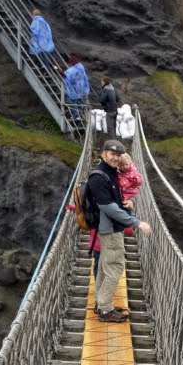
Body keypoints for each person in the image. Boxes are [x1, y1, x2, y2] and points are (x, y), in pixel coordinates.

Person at [89, 139, 152, 322]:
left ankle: (101, 303)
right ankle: (106, 310)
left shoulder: (111, 172)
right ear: (103, 154)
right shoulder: (99, 177)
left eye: (118, 155)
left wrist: (131, 202)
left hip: (111, 227)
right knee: (114, 267)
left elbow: (120, 197)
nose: (115, 158)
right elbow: (108, 207)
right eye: (112, 154)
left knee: (103, 267)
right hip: (109, 229)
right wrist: (136, 222)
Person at [59, 54, 90, 124]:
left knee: (72, 100)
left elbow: (68, 74)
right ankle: (79, 112)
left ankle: (76, 115)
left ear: (74, 60)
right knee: (77, 101)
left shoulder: (76, 68)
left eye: (71, 60)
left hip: (76, 89)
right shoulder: (80, 67)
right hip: (82, 88)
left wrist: (59, 71)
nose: (70, 61)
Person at [28, 9, 55, 73]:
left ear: (34, 14)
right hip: (45, 41)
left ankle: (43, 67)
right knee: (44, 55)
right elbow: (49, 32)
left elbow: (34, 31)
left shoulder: (36, 21)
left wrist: (29, 29)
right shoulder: (45, 22)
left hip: (38, 41)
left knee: (36, 54)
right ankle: (46, 68)